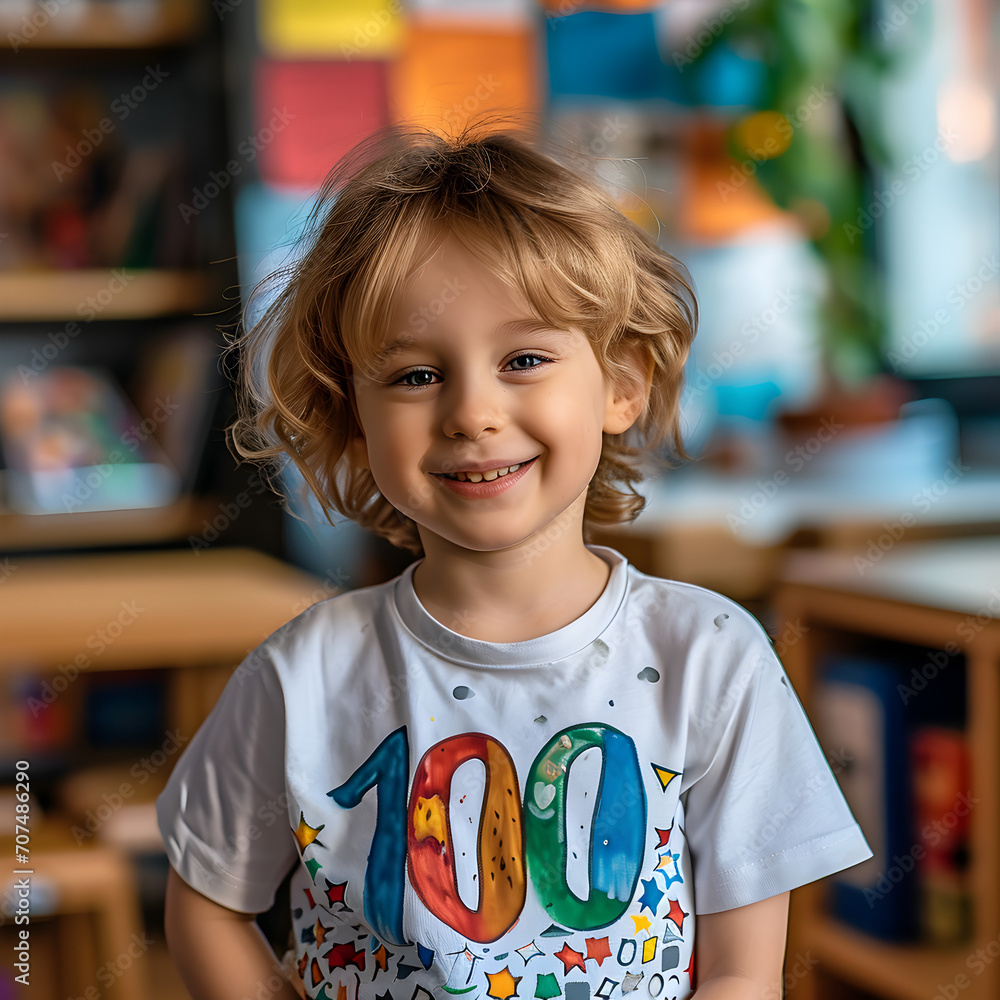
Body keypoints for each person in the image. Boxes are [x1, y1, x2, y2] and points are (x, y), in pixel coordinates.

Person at [156, 118, 871, 1000]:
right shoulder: (300, 675)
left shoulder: (712, 658)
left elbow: (744, 974)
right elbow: (205, 902)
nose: (472, 413)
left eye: (524, 359)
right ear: (353, 419)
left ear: (621, 385)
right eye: (416, 376)